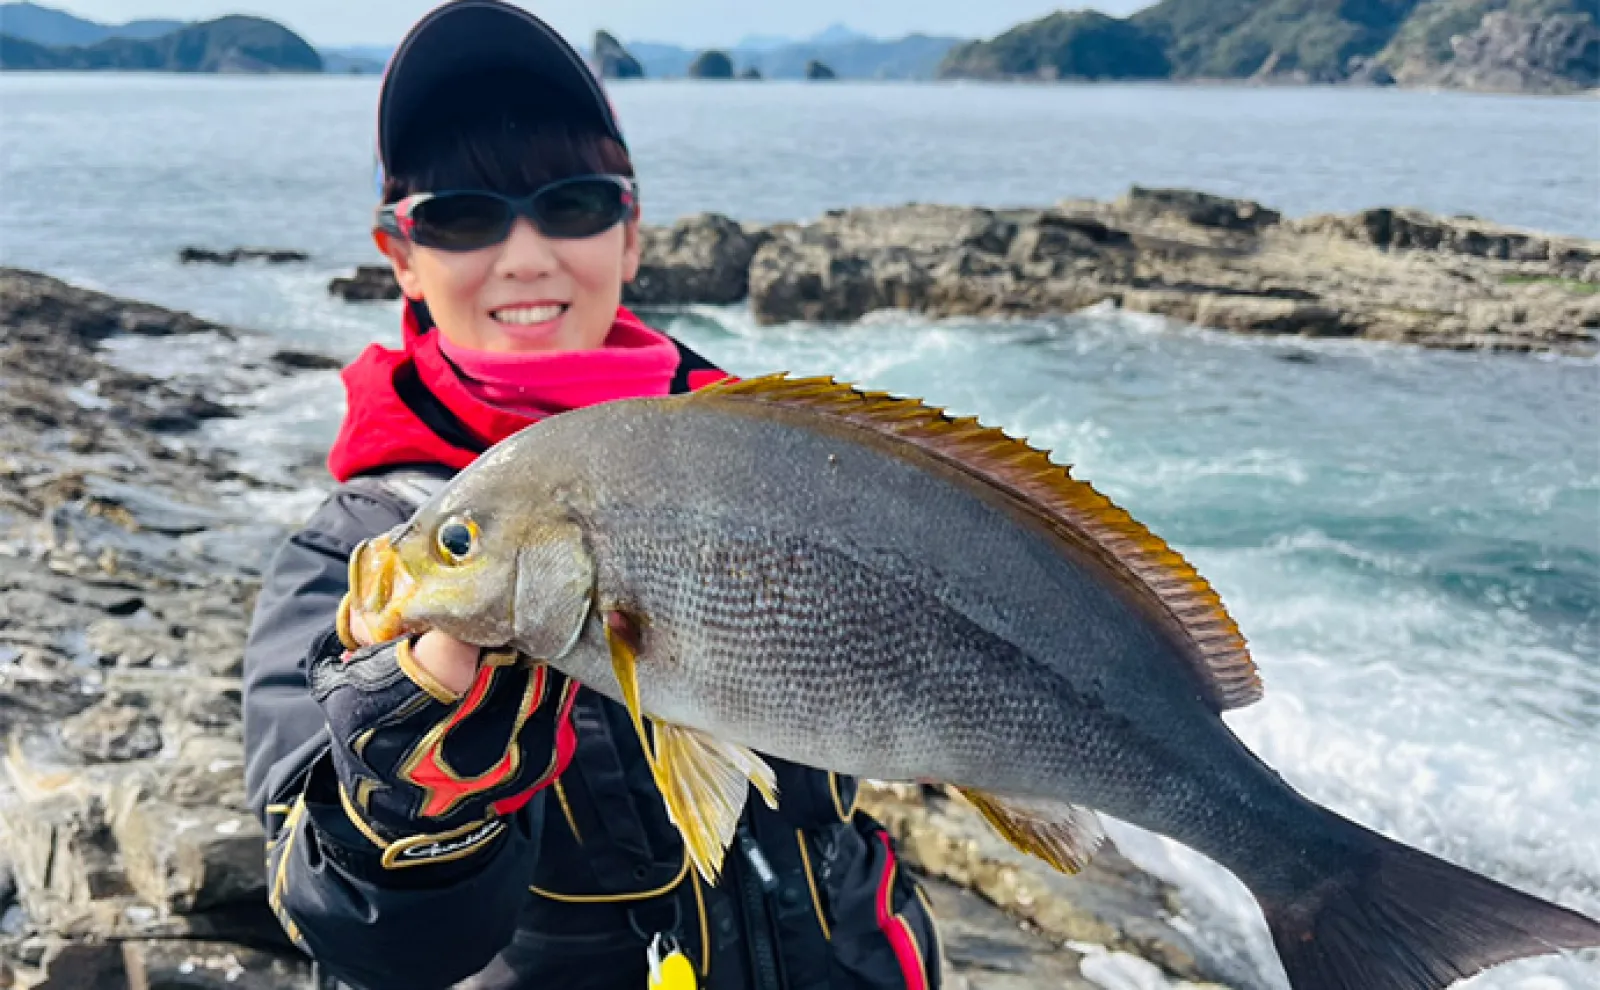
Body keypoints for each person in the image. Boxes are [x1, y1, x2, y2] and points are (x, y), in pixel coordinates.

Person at [240, 3, 942, 988]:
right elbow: (361, 937)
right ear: (400, 254)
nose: (525, 255)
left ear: (631, 234)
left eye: (571, 205)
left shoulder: (784, 462)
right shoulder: (352, 549)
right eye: (462, 217)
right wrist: (409, 792)